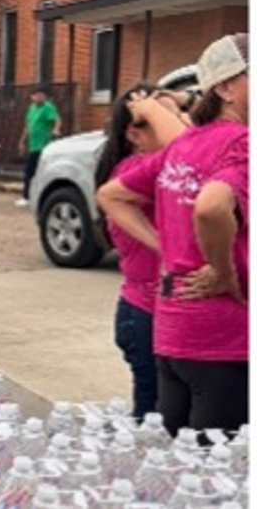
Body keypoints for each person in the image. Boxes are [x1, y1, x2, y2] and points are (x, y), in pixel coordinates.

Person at [98, 33, 248, 434]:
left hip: (174, 333)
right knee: (217, 464)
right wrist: (223, 271)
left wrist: (167, 249)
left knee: (176, 456)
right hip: (223, 336)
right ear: (225, 88)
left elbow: (110, 195)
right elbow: (211, 206)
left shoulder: (185, 145)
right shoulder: (241, 143)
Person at [92, 84, 187, 419]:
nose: (180, 122)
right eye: (164, 118)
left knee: (163, 412)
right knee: (155, 418)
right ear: (134, 134)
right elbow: (193, 149)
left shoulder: (154, 167)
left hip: (150, 310)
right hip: (146, 313)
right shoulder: (138, 170)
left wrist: (178, 102)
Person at [16, 87, 61, 207]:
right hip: (33, 144)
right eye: (37, 95)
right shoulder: (31, 109)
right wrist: (22, 141)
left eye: (42, 95)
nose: (40, 97)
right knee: (32, 171)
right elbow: (28, 126)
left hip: (43, 144)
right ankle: (32, 196)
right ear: (32, 97)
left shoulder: (48, 108)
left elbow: (56, 120)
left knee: (30, 170)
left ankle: (27, 197)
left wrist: (56, 129)